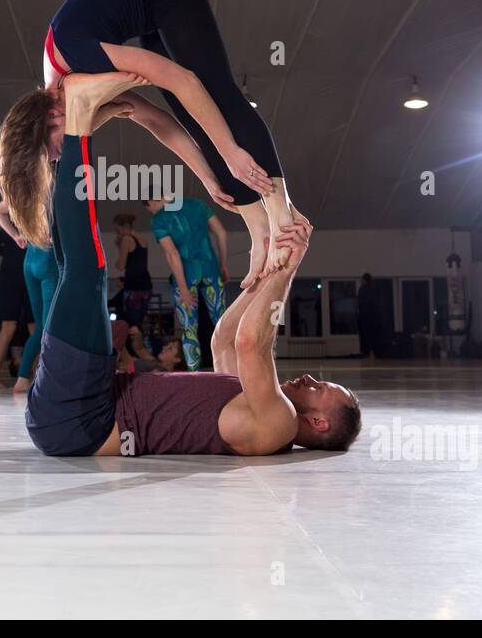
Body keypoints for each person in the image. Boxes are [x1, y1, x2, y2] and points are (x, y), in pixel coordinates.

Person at [21, 74, 360, 458]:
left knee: (86, 272)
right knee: (72, 269)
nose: (312, 379)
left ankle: (75, 127)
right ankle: (58, 148)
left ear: (319, 423)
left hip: (82, 420)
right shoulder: (254, 398)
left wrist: (290, 265)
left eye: (322, 389)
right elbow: (226, 340)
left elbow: (251, 344)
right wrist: (267, 264)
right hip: (80, 404)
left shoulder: (277, 424)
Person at [0, 0, 302, 289]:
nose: (61, 155)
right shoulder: (74, 98)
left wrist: (229, 152)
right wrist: (208, 176)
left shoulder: (77, 65)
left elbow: (182, 79)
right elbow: (158, 122)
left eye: (55, 150)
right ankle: (259, 231)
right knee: (191, 114)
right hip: (146, 20)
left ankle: (282, 217)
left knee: (216, 91)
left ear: (52, 119)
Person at [145, 195, 229, 371]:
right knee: (222, 324)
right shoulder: (198, 203)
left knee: (189, 329)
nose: (151, 211)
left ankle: (195, 377)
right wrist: (223, 264)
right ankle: (231, 370)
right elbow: (221, 233)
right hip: (211, 270)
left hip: (186, 276)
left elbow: (172, 254)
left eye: (149, 207)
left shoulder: (159, 218)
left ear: (153, 201)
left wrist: (183, 288)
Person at [0, 202, 58, 396]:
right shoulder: (51, 193)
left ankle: (22, 379)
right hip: (47, 260)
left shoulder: (23, 194)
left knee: (38, 327)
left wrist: (15, 235)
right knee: (47, 327)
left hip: (29, 262)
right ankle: (44, 378)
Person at [0, 224, 32, 390]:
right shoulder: (23, 222)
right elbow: (3, 245)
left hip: (18, 275)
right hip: (21, 275)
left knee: (25, 327)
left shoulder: (18, 223)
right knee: (28, 328)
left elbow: (0, 246)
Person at [112, 213, 153, 329]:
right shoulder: (143, 239)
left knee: (131, 325)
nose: (117, 232)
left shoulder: (126, 240)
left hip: (133, 288)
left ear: (124, 226)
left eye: (117, 229)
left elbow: (120, 265)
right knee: (139, 323)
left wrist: (119, 248)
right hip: (146, 286)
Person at [111, 320, 184, 374]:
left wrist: (119, 337)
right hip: (115, 370)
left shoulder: (160, 373)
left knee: (122, 326)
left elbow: (128, 362)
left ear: (177, 359)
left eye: (170, 348)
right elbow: (140, 349)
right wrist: (138, 336)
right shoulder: (156, 362)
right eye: (167, 345)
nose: (164, 347)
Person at [357, 272, 383, 361]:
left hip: (365, 316)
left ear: (364, 280)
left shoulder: (363, 289)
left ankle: (368, 353)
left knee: (366, 336)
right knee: (374, 336)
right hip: (374, 317)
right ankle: (375, 353)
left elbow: (360, 302)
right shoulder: (374, 289)